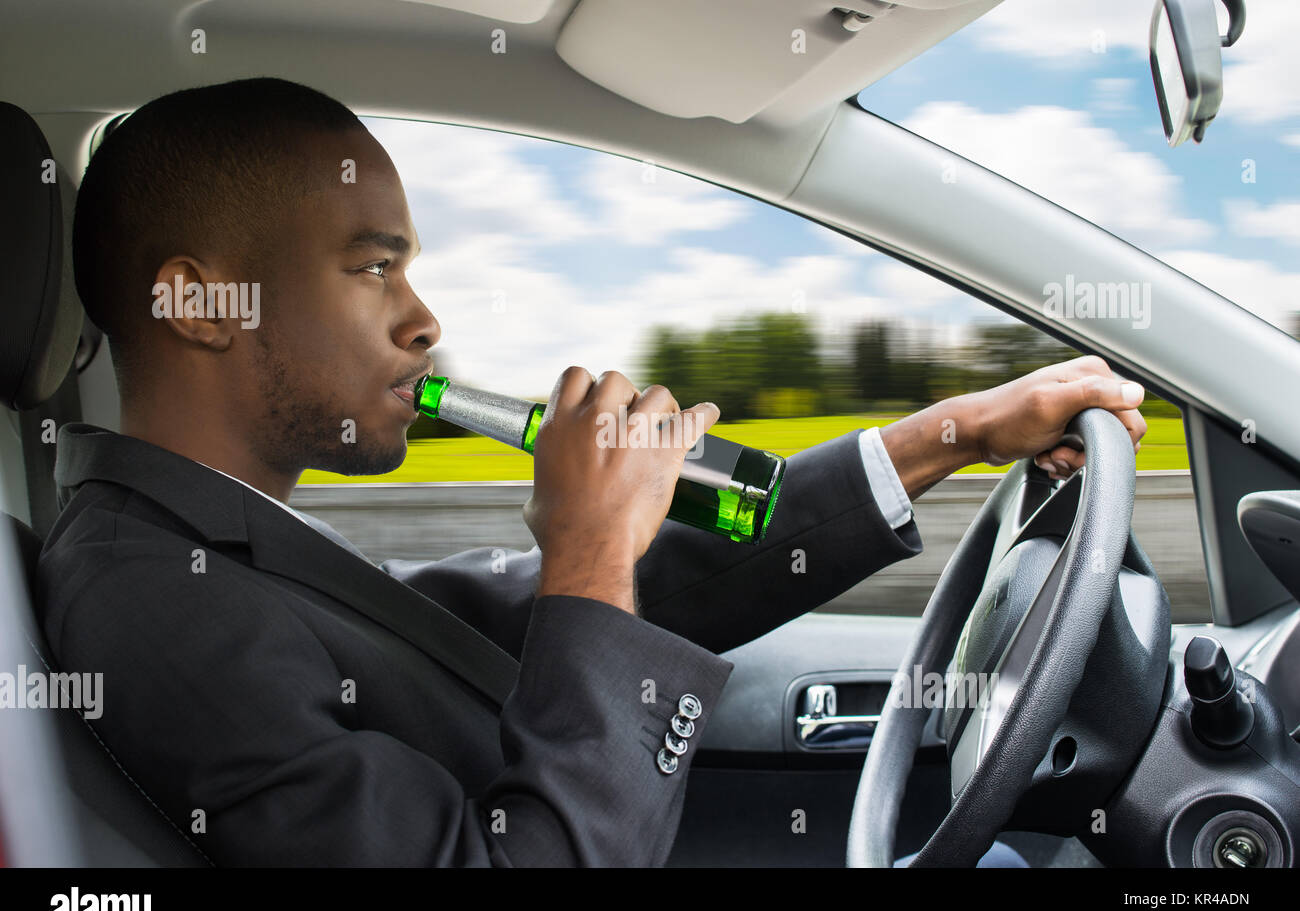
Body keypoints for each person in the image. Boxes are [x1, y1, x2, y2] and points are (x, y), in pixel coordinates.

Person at [38, 77, 1146, 867]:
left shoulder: (224, 543)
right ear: (197, 303)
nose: (424, 322)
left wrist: (946, 436)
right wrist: (584, 550)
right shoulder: (151, 597)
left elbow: (513, 622)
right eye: (373, 268)